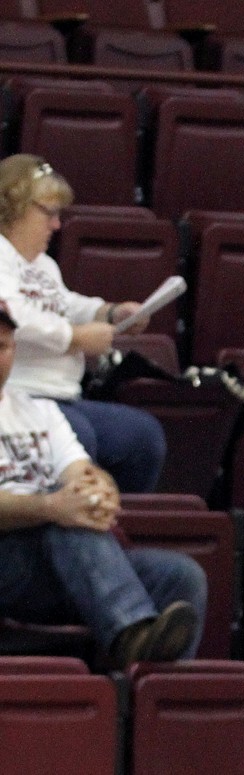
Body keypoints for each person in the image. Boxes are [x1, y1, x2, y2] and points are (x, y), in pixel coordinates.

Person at [0, 299, 206, 669]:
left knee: (179, 577)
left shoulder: (40, 411)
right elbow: (60, 503)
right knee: (64, 514)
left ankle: (150, 714)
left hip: (62, 559)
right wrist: (51, 507)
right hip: (8, 558)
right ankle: (130, 632)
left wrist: (101, 489)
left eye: (2, 346)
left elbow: (79, 469)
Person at [0, 154, 166, 493]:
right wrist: (76, 338)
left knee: (143, 437)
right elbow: (16, 316)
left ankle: (117, 532)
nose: (56, 225)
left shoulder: (43, 265)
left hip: (64, 396)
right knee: (80, 439)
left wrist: (110, 312)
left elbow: (66, 303)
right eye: (49, 213)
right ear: (14, 208)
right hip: (22, 396)